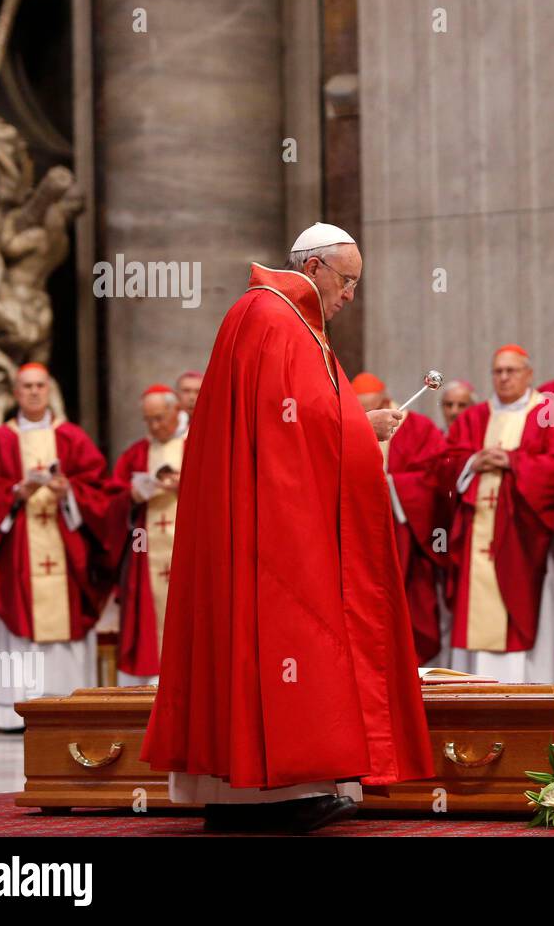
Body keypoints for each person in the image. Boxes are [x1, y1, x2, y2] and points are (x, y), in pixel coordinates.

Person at [141, 222, 433, 833]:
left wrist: (359, 421)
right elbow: (291, 434)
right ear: (317, 267)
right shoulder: (277, 320)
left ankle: (260, 794)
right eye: (348, 281)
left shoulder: (272, 315)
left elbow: (302, 420)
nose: (350, 295)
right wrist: (361, 430)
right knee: (286, 643)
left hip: (261, 516)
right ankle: (276, 794)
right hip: (274, 529)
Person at [0, 363, 119, 729]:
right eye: (26, 387)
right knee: (14, 616)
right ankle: (9, 714)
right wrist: (15, 493)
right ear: (16, 393)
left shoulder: (73, 438)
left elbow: (102, 495)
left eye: (39, 386)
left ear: (49, 390)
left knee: (65, 615)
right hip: (15, 555)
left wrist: (70, 493)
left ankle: (68, 708)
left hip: (64, 553)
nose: (33, 392)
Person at [441, 344, 554, 683]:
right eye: (498, 371)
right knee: (477, 612)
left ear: (529, 374)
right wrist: (472, 462)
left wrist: (512, 461)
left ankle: (526, 691)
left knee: (523, 613)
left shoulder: (548, 414)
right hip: (477, 538)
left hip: (524, 539)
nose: (504, 377)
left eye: (511, 371)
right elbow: (445, 463)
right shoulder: (474, 416)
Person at [352, 372, 451, 665]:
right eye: (361, 411)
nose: (368, 416)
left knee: (409, 609)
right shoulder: (351, 427)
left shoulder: (418, 428)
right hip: (361, 537)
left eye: (371, 408)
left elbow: (437, 478)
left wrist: (392, 485)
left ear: (385, 401)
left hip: (407, 538)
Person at [110, 384, 186, 686]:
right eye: (148, 420)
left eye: (159, 418)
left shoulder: (198, 442)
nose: (154, 426)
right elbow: (110, 499)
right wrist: (132, 495)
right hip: (147, 551)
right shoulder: (138, 453)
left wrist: (188, 484)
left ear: (176, 411)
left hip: (190, 552)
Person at [174, 370, 203, 436]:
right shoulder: (165, 428)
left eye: (198, 391)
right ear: (176, 395)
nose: (192, 397)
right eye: (186, 391)